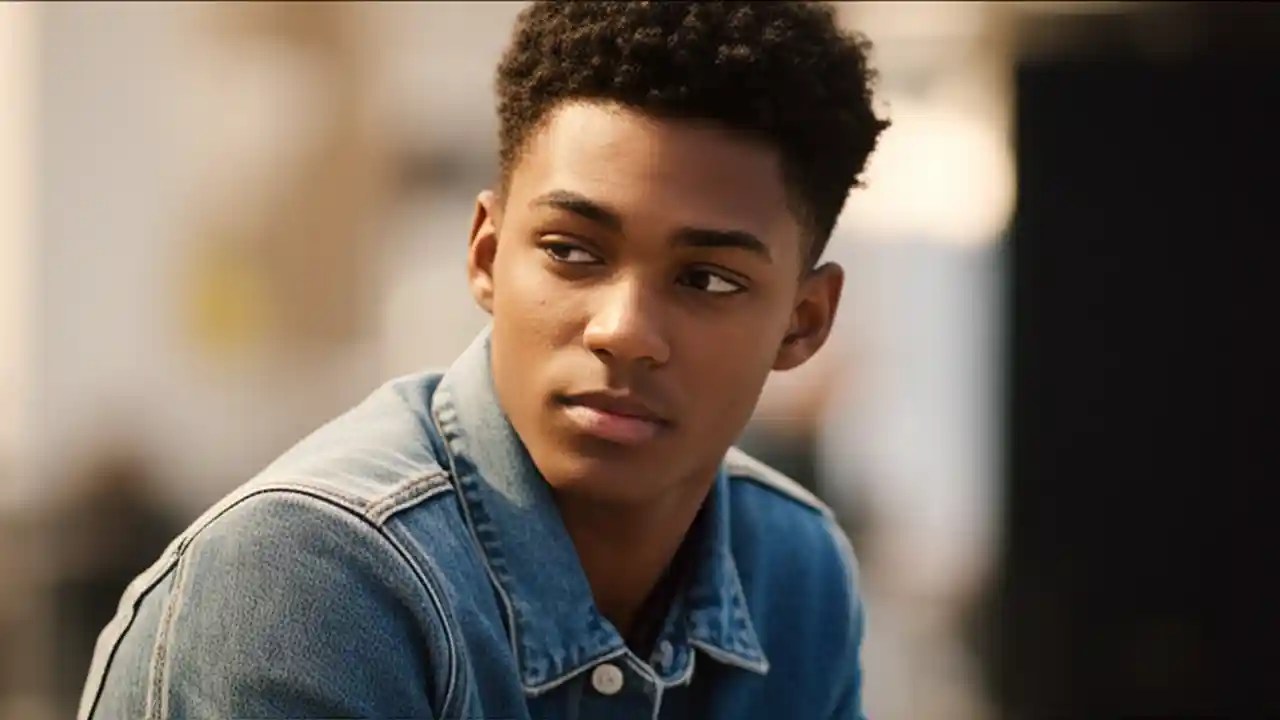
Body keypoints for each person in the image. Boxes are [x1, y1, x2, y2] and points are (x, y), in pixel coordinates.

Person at [77, 2, 888, 718]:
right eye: (572, 252)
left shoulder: (794, 574)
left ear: (802, 322)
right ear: (488, 255)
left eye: (706, 279)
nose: (624, 330)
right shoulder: (312, 579)